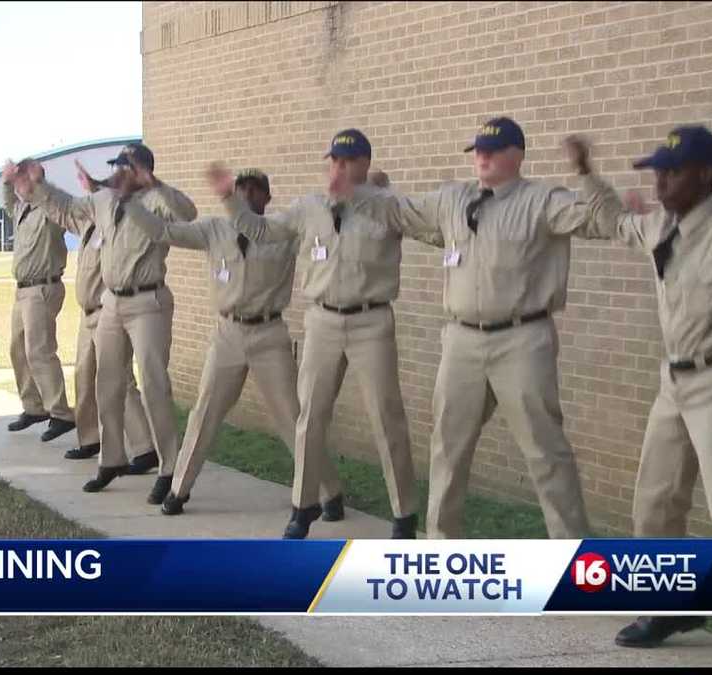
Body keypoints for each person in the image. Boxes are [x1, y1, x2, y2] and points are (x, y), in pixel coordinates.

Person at [569, 108, 712, 665]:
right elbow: (610, 221)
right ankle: (671, 606)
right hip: (673, 383)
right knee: (654, 505)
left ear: (705, 175)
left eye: (671, 171)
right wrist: (586, 173)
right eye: (658, 171)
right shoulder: (658, 227)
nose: (660, 181)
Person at [209, 129, 440, 539]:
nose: (337, 169)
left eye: (347, 161)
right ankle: (303, 506)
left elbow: (435, 228)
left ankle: (404, 515)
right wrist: (230, 198)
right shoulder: (308, 208)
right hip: (322, 322)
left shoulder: (386, 206)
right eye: (333, 161)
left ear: (364, 165)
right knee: (310, 415)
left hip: (372, 322)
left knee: (387, 418)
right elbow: (262, 230)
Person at [380, 116, 602, 540]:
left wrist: (586, 172)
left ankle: (574, 557)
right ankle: (442, 546)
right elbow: (400, 213)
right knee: (448, 445)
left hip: (522, 340)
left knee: (545, 451)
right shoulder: (454, 199)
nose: (481, 155)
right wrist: (370, 189)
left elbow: (598, 220)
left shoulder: (542, 201)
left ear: (516, 155)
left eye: (492, 149)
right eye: (477, 149)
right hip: (461, 340)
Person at [124, 169, 344, 516]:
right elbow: (163, 231)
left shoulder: (283, 233)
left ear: (266, 199)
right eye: (242, 192)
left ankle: (329, 493)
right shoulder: (213, 229)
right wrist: (132, 200)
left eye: (256, 192)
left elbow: (326, 233)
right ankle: (179, 490)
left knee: (293, 417)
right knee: (205, 413)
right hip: (227, 334)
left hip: (270, 335)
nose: (247, 198)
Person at [9, 144, 197, 504]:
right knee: (107, 383)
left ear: (140, 170)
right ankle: (111, 459)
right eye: (116, 167)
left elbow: (187, 214)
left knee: (154, 385)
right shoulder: (105, 200)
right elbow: (66, 210)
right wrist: (37, 187)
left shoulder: (155, 201)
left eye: (123, 167)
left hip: (148, 303)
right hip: (112, 301)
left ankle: (169, 469)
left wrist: (155, 184)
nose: (116, 172)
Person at [63, 167, 158, 476]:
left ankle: (145, 448)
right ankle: (90, 439)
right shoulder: (85, 226)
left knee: (120, 379)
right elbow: (61, 210)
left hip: (108, 311)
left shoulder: (115, 226)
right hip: (86, 312)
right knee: (84, 374)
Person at [1, 164, 76, 443]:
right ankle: (34, 407)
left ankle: (61, 414)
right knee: (17, 348)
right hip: (23, 291)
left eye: (22, 180)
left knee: (40, 350)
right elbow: (8, 201)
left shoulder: (49, 208)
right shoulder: (23, 209)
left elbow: (65, 205)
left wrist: (40, 183)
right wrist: (7, 181)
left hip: (42, 288)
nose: (18, 185)